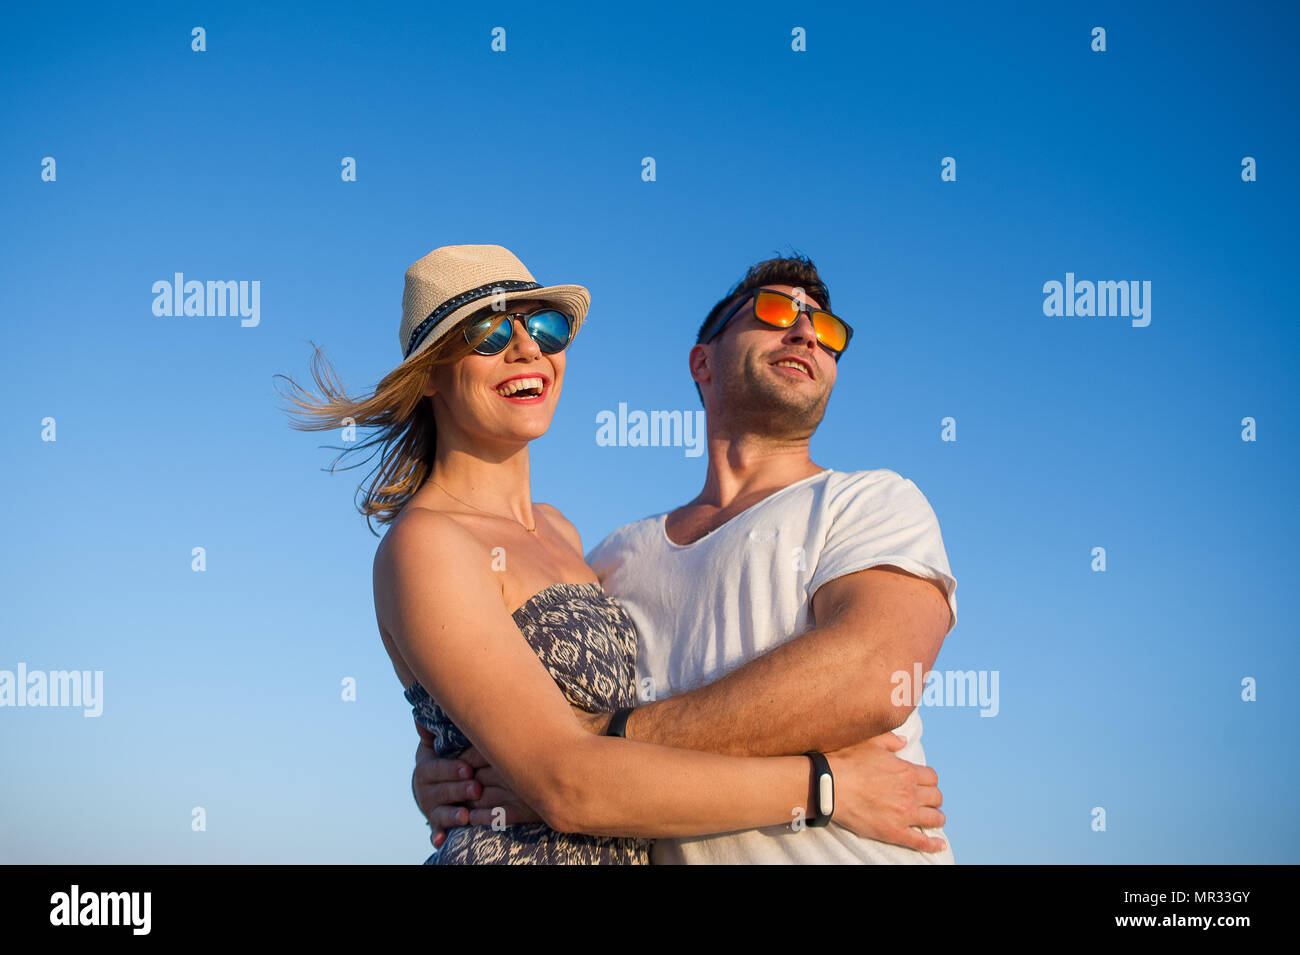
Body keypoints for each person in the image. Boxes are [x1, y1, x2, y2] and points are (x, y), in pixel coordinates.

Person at [278, 244, 948, 865]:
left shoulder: (869, 503)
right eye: (487, 331)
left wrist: (601, 739)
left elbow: (872, 677)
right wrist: (823, 785)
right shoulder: (612, 556)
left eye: (544, 329)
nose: (806, 332)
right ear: (701, 362)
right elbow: (557, 771)